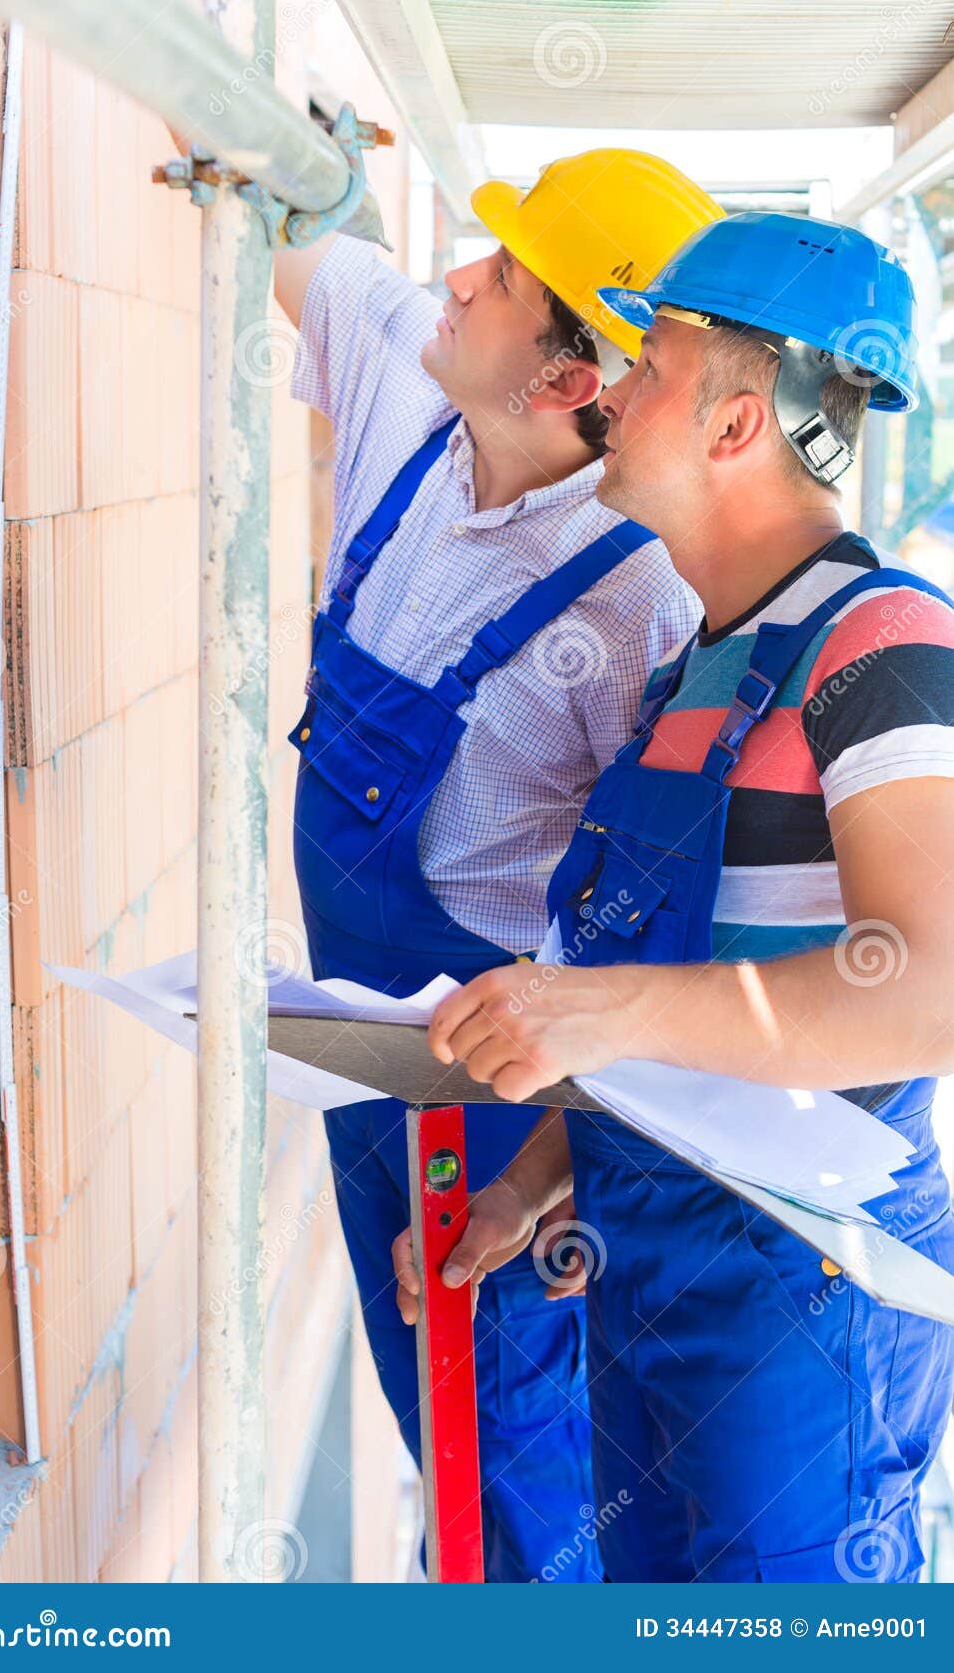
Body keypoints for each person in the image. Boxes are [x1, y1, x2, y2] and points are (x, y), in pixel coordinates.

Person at [397, 211, 954, 1582]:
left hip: (802, 1295)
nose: (620, 390)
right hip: (649, 1263)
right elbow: (695, 1031)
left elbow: (930, 982)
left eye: (649, 362)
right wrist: (538, 1175)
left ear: (733, 425)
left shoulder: (883, 640)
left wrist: (600, 1005)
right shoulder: (687, 682)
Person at [274, 150, 719, 1581]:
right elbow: (289, 228)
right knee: (432, 1415)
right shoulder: (409, 381)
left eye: (503, 275)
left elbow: (659, 917)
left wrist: (558, 1163)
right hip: (357, 1043)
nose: (455, 278)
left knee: (512, 1460)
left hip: (490, 1079)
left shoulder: (636, 593)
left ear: (569, 382)